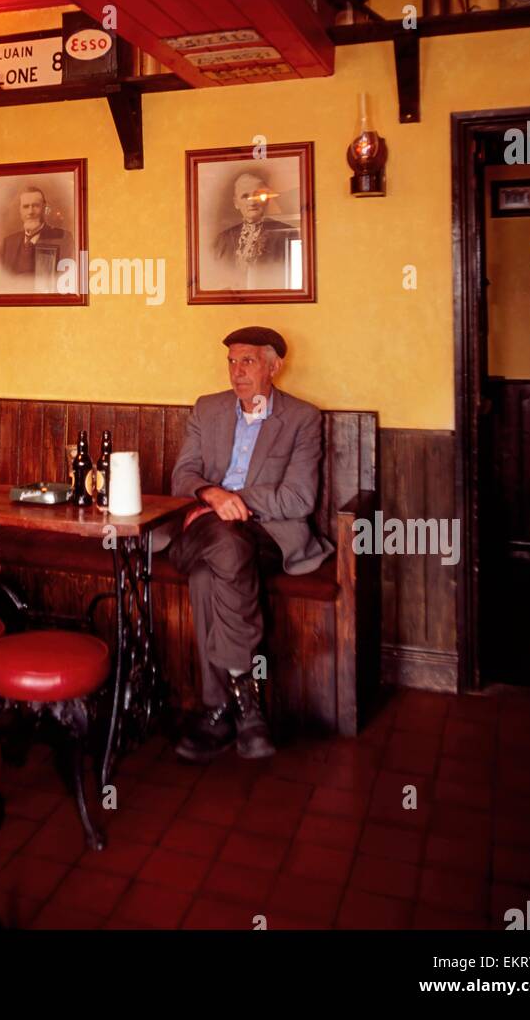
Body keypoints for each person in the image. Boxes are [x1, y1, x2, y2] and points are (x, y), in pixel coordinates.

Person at [168, 326, 332, 762]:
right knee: (223, 540)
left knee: (210, 573)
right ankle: (247, 702)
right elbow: (182, 477)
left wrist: (233, 500)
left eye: (248, 361)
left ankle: (218, 708)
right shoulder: (208, 410)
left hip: (268, 534)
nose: (237, 372)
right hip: (204, 526)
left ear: (274, 367)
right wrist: (210, 495)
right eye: (232, 362)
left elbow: (298, 498)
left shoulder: (301, 418)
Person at [212, 170, 299, 287]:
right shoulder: (222, 240)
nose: (252, 202)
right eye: (245, 196)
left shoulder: (287, 234)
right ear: (236, 203)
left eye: (258, 195)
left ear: (266, 200)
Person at [0, 185, 74, 283]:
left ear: (44, 208)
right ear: (20, 210)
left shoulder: (64, 238)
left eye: (36, 206)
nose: (30, 212)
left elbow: (66, 280)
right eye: (26, 207)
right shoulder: (8, 243)